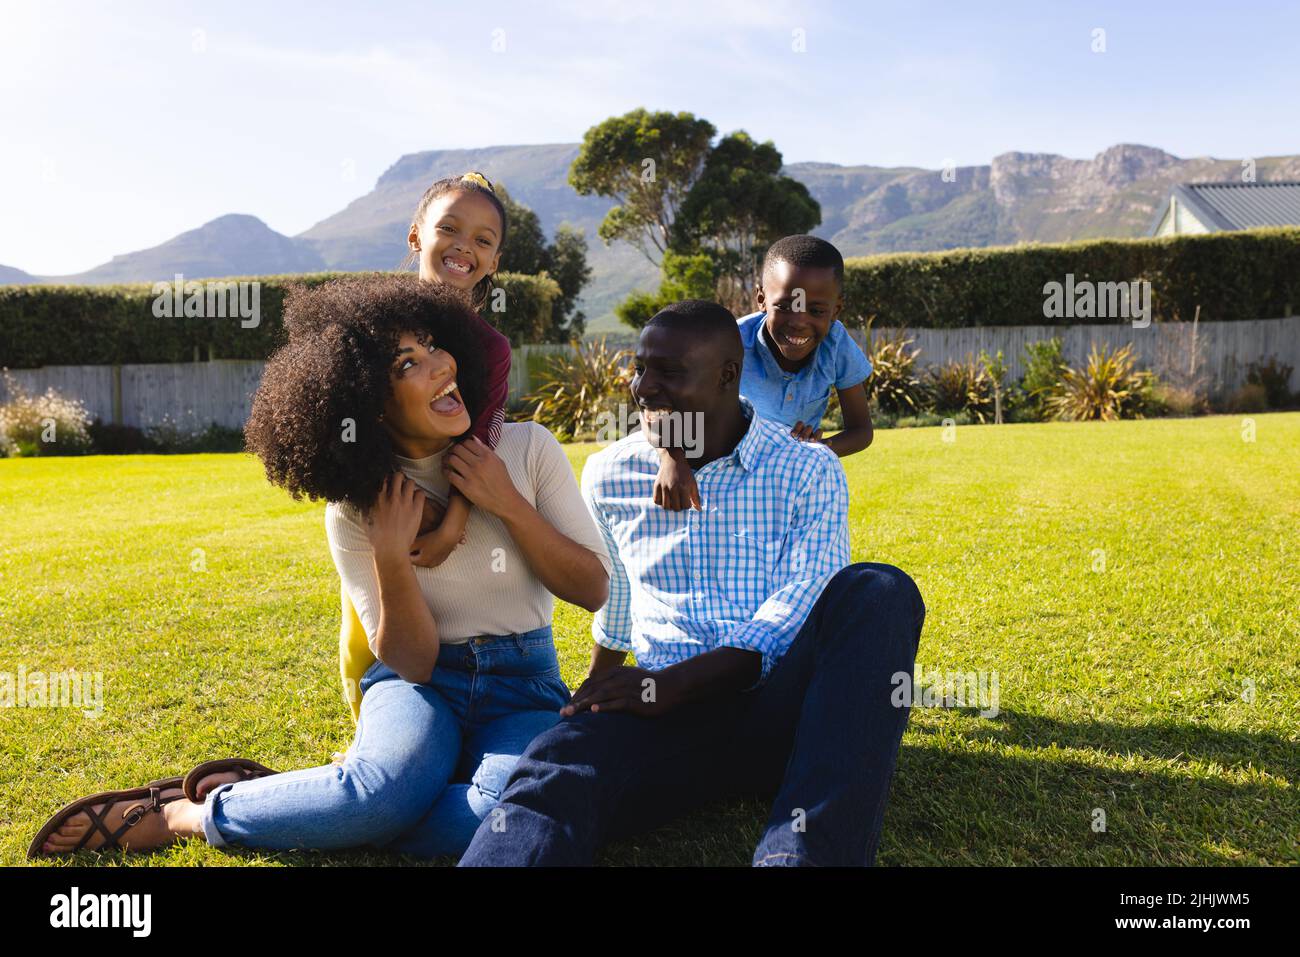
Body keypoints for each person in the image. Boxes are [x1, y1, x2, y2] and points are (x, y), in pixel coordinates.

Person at [29, 276, 610, 860]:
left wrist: (506, 501)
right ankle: (189, 814)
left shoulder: (527, 449)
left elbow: (591, 589)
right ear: (366, 405)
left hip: (523, 683)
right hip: (419, 688)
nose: (439, 365)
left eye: (434, 344)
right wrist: (389, 555)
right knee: (383, 792)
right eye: (406, 363)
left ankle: (303, 803)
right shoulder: (356, 505)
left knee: (495, 816)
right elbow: (412, 661)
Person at [459, 299, 925, 867]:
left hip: (783, 718)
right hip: (663, 722)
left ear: (728, 375)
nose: (644, 388)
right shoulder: (612, 471)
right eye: (640, 368)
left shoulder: (806, 467)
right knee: (554, 765)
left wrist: (678, 683)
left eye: (670, 373)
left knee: (879, 588)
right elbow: (621, 599)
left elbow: (802, 598)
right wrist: (598, 691)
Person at [336, 171, 515, 722]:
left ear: (494, 262)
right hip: (382, 503)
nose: (465, 246)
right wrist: (395, 494)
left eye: (484, 240)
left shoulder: (490, 348)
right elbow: (343, 429)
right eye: (450, 229)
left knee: (448, 617)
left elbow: (482, 439)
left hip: (458, 505)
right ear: (417, 236)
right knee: (367, 630)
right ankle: (376, 726)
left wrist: (454, 520)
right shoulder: (369, 323)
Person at [652, 234, 874, 512]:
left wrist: (813, 450)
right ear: (761, 298)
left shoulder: (837, 346)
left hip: (788, 484)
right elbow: (658, 404)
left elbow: (861, 430)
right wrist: (671, 458)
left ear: (836, 309)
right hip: (720, 478)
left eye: (816, 310)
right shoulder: (727, 344)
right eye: (784, 306)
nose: (799, 322)